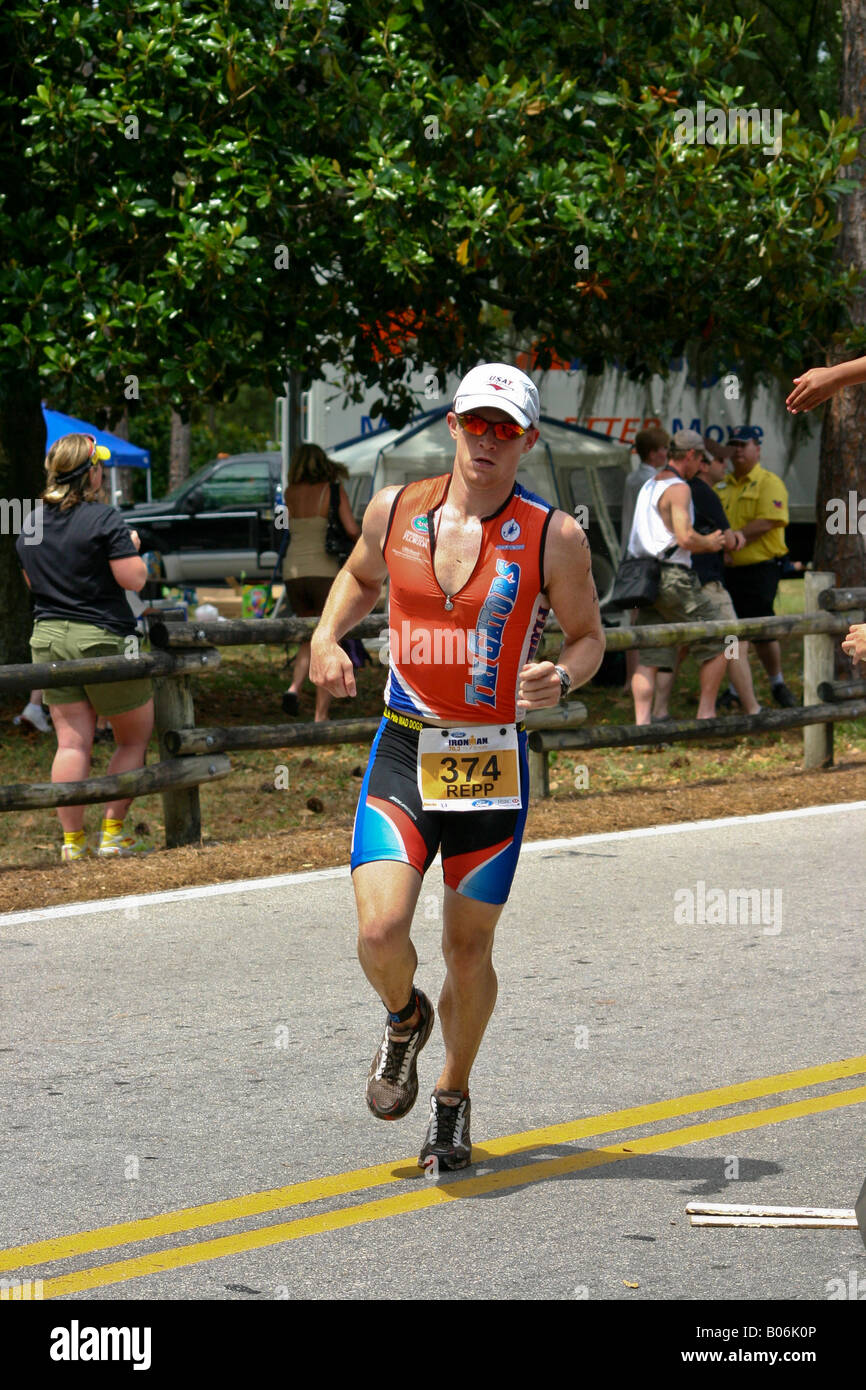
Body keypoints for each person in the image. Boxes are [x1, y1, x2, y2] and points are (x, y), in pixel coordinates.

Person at [310, 363, 603, 1170]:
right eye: (477, 422)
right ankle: (405, 1016)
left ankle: (451, 1094)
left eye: (506, 427)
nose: (488, 439)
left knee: (468, 950)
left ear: (528, 439)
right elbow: (359, 577)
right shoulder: (395, 509)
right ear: (453, 424)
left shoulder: (555, 536)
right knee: (380, 929)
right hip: (406, 743)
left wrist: (565, 676)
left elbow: (588, 636)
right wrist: (325, 637)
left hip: (489, 758)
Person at [15, 433, 154, 862]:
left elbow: (31, 583)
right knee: (133, 739)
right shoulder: (104, 518)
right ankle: (112, 833)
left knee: (72, 745)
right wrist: (130, 546)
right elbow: (135, 580)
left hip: (49, 638)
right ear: (91, 471)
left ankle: (72, 843)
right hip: (102, 638)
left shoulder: (30, 520)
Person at [627, 429, 727, 724]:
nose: (703, 467)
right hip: (673, 577)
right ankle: (706, 716)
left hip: (644, 579)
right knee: (721, 638)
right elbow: (684, 538)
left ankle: (643, 727)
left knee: (649, 657)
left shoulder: (649, 484)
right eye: (701, 460)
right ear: (692, 455)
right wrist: (710, 543)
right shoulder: (679, 488)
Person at [714, 426, 796, 708]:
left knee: (760, 630)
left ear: (757, 449)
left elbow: (769, 520)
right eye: (733, 444)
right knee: (732, 631)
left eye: (744, 444)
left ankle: (777, 682)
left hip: (760, 569)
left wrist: (735, 539)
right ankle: (736, 689)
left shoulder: (768, 482)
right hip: (729, 570)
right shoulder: (721, 486)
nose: (737, 449)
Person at [281, 444, 361, 723]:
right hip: (324, 570)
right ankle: (320, 714)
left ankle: (293, 687)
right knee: (328, 636)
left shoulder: (289, 493)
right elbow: (351, 529)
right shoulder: (333, 490)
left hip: (293, 571)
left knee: (308, 635)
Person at [620, 427, 669, 703]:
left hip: (631, 555)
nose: (666, 454)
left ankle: (631, 678)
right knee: (643, 618)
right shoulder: (652, 481)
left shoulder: (633, 478)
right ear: (653, 453)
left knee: (634, 618)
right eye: (663, 449)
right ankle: (640, 676)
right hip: (643, 557)